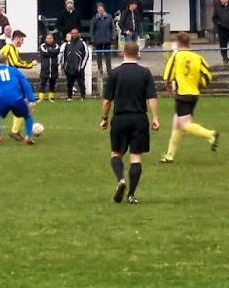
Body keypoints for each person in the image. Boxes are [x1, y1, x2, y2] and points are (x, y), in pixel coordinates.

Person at [99, 41, 159, 205]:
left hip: (120, 118)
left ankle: (120, 180)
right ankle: (131, 195)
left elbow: (107, 101)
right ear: (138, 54)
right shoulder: (145, 73)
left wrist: (104, 119)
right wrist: (155, 118)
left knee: (116, 154)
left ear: (122, 53)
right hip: (139, 118)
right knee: (136, 158)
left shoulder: (115, 73)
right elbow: (152, 98)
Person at [159, 32, 218, 163]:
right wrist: (201, 84)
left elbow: (168, 76)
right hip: (194, 94)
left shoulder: (176, 57)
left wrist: (168, 87)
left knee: (183, 124)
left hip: (182, 94)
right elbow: (208, 76)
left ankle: (210, 134)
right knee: (177, 123)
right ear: (190, 44)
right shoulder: (197, 57)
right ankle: (170, 155)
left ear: (178, 44)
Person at [0, 54, 38, 145]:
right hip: (17, 99)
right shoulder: (15, 71)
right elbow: (26, 85)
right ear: (6, 62)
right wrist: (32, 100)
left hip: (2, 100)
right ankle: (28, 136)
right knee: (27, 116)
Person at [0, 30, 38, 137]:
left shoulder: (7, 48)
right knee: (22, 103)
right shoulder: (11, 48)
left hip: (7, 79)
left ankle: (15, 131)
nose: (22, 43)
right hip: (11, 79)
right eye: (22, 40)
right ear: (17, 39)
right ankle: (14, 131)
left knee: (21, 102)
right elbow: (16, 63)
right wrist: (30, 64)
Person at [61, 27, 90, 100]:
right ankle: (69, 97)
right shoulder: (67, 44)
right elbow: (64, 55)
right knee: (69, 84)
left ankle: (83, 97)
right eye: (72, 33)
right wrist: (64, 65)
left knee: (81, 83)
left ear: (78, 34)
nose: (74, 35)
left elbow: (86, 54)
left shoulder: (82, 43)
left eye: (75, 33)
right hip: (69, 67)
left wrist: (82, 66)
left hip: (79, 67)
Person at [90, 2, 116, 77]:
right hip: (98, 40)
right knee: (99, 56)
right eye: (99, 8)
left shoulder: (109, 17)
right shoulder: (95, 19)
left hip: (107, 39)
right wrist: (93, 40)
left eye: (101, 8)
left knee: (108, 56)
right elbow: (92, 30)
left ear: (104, 9)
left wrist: (113, 38)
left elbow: (113, 28)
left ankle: (109, 70)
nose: (100, 9)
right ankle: (100, 70)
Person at [36, 31, 61, 103]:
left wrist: (49, 51)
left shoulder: (56, 45)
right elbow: (44, 52)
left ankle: (51, 97)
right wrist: (51, 52)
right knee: (42, 83)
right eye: (48, 38)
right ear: (45, 39)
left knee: (52, 83)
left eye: (51, 38)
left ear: (53, 39)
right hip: (45, 68)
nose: (49, 39)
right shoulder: (42, 46)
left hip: (54, 68)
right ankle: (41, 97)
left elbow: (56, 51)